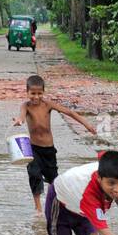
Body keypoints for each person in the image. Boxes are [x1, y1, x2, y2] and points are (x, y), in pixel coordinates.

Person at [12, 74, 98, 212]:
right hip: (33, 148)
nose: (36, 97)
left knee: (54, 179)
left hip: (48, 150)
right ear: (27, 92)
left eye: (39, 93)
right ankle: (38, 208)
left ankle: (57, 203)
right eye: (32, 93)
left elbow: (69, 112)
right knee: (34, 174)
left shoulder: (48, 105)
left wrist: (86, 125)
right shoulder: (26, 106)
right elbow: (21, 116)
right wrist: (19, 121)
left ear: (43, 92)